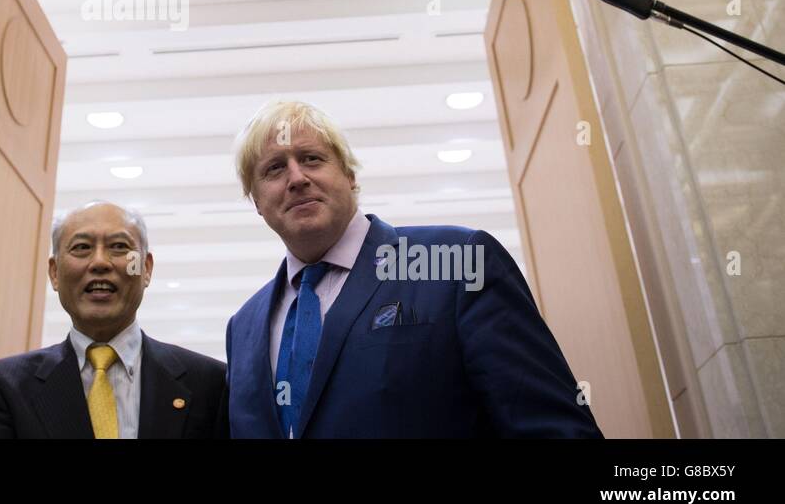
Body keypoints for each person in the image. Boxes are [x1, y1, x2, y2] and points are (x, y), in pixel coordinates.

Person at [225, 100, 603, 438]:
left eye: (311, 158)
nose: (297, 179)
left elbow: (553, 426)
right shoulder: (242, 327)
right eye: (274, 169)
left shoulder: (456, 261)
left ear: (350, 176)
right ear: (257, 201)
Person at [0, 201, 228, 438]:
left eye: (119, 247)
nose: (100, 262)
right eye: (81, 247)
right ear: (54, 273)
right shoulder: (1, 387)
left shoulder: (212, 383)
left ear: (145, 269)